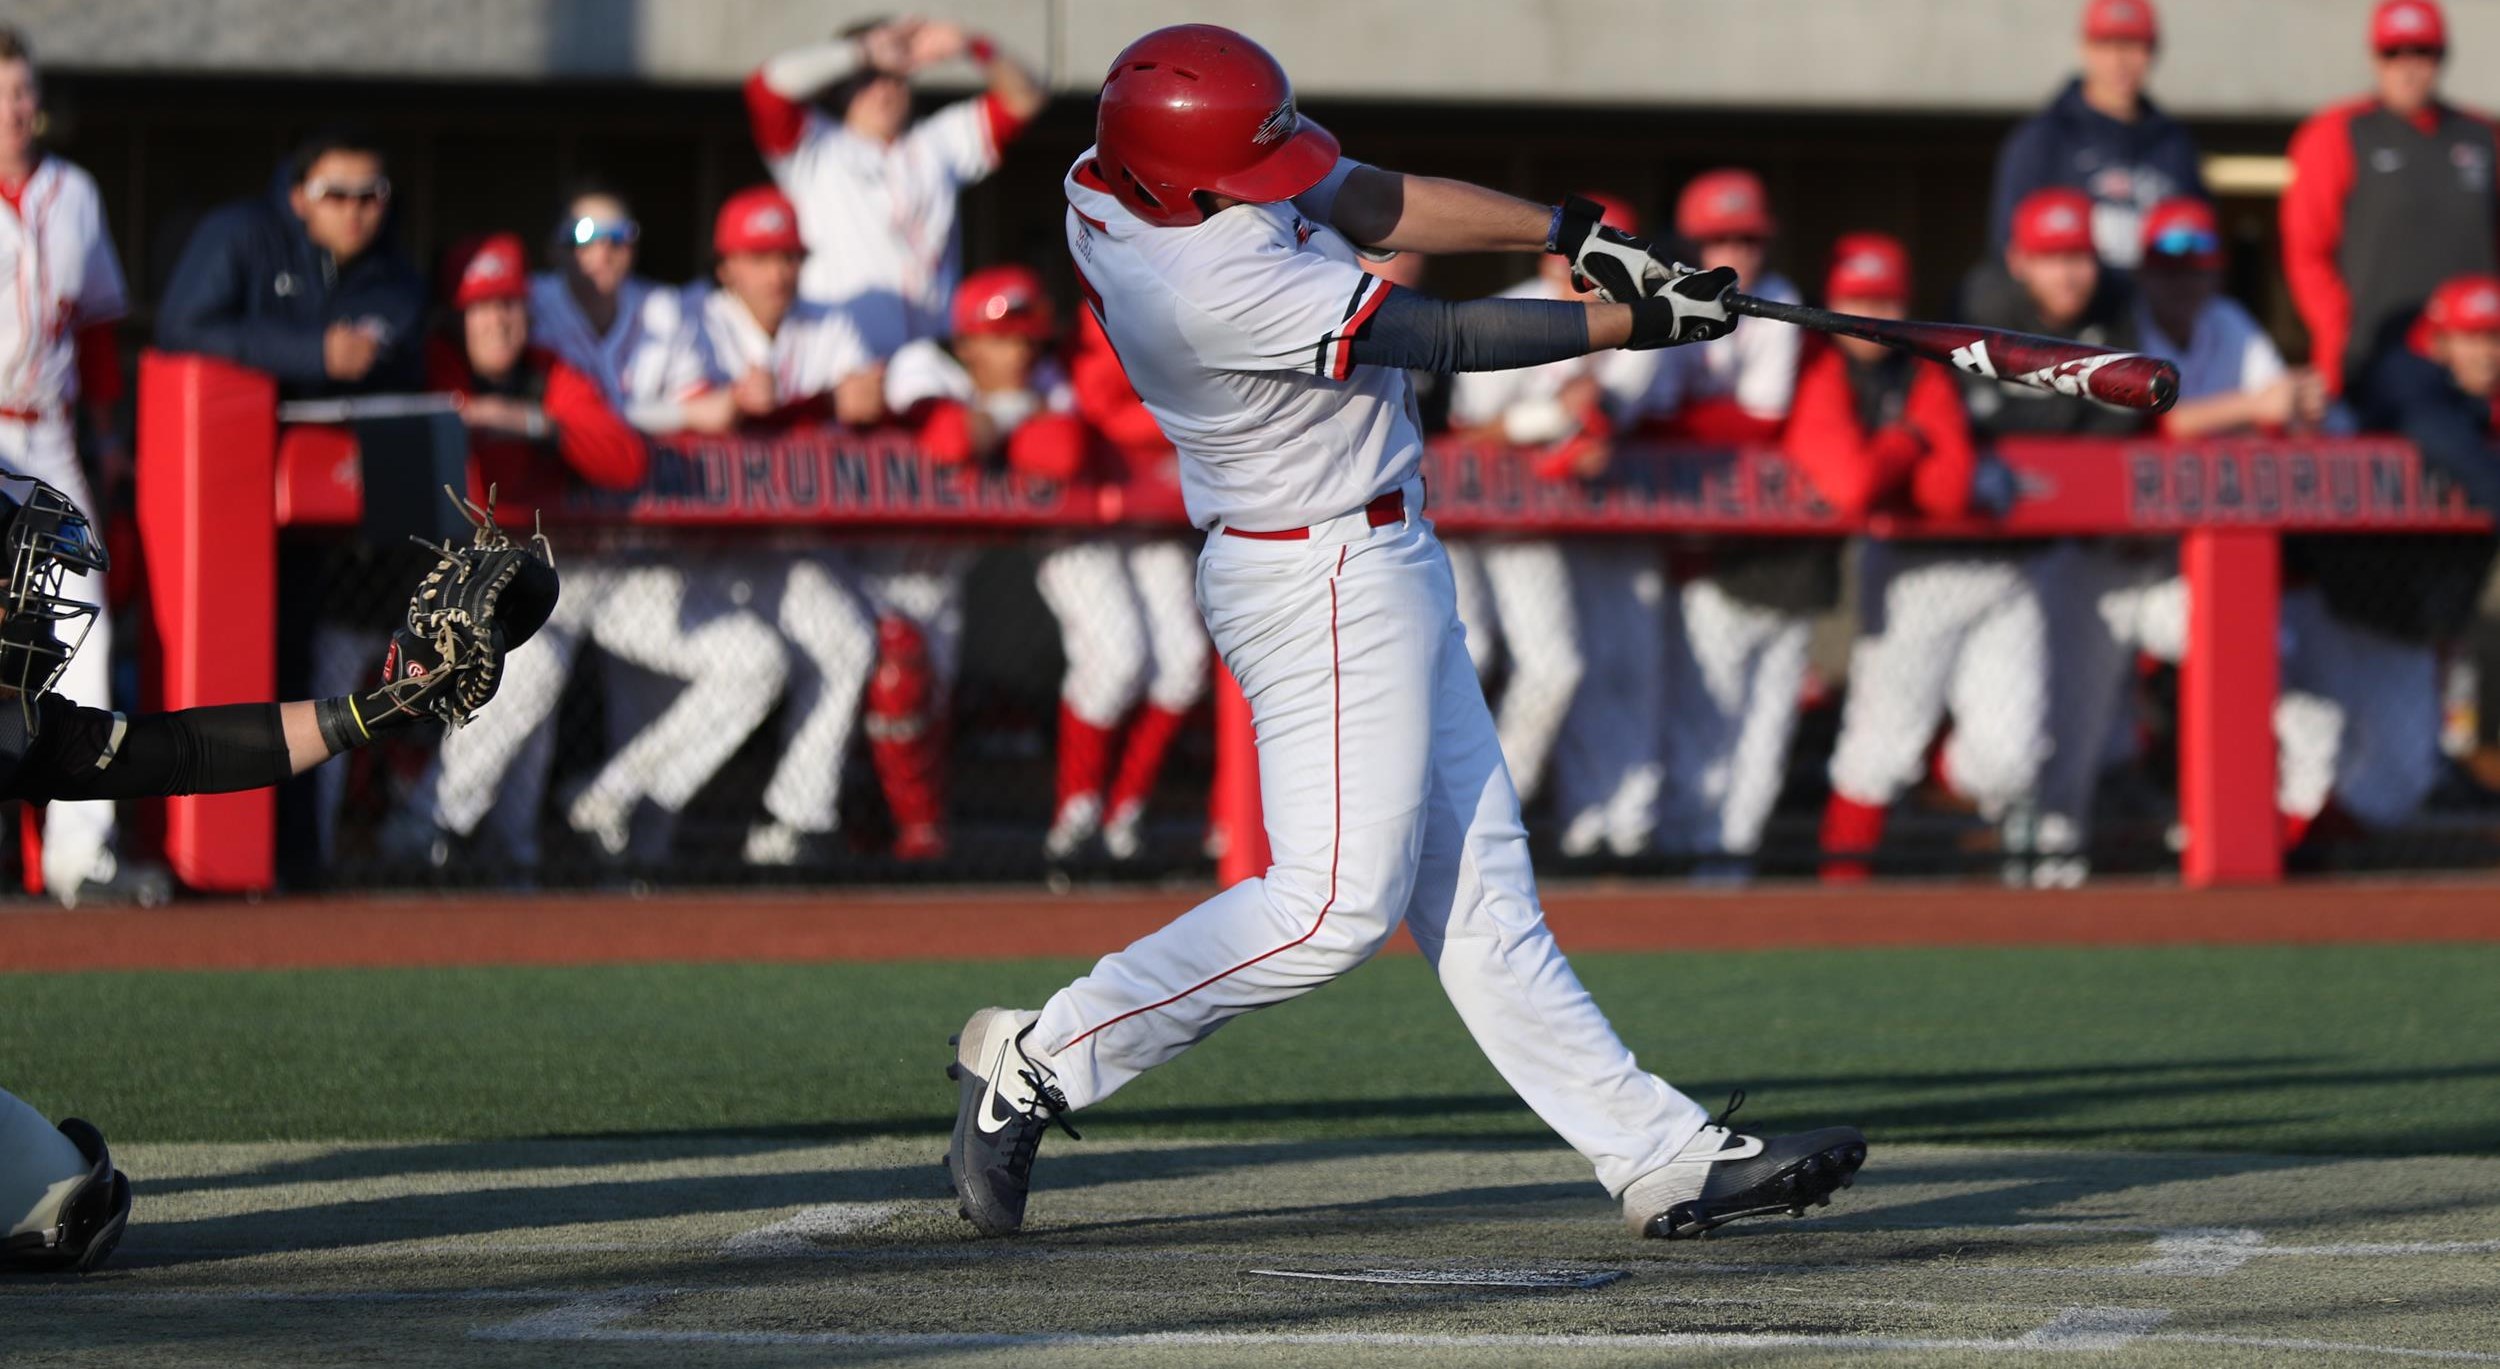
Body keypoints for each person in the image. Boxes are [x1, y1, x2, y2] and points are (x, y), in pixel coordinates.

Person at [947, 23, 1865, 1245]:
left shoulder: (1115, 172)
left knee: (1484, 902)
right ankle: (1043, 1054)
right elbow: (1435, 334)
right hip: (1311, 572)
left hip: (1381, 551)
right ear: (1183, 175)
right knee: (1329, 910)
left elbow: (1363, 193)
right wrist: (1626, 327)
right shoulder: (1202, 285)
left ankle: (1658, 1156)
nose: (1281, 181)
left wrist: (1566, 230)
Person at [0, 474, 552, 1272]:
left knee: (69, 1203)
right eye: (11, 585)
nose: (32, 615)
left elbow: (186, 749)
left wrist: (374, 709)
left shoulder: (12, 725)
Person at [669, 185, 889, 868]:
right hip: (669, 552)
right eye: (760, 257)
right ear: (725, 266)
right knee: (643, 709)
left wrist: (839, 404)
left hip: (776, 546)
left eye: (789, 256)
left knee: (850, 640)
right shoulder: (684, 317)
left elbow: (864, 402)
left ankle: (794, 816)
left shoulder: (830, 324)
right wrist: (807, 405)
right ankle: (610, 816)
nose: (778, 272)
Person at [1799, 234, 2021, 882]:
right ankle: (1839, 889)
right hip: (1896, 570)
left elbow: (1950, 491)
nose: (1869, 316)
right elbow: (1852, 484)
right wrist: (1905, 442)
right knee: (1877, 749)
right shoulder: (1820, 366)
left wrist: (1893, 454)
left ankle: (1935, 779)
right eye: (1856, 300)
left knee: (2011, 757)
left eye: (1884, 300)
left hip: (1976, 564)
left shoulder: (1923, 367)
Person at [1443, 194, 1652, 830]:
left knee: (1557, 667)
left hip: (1542, 529)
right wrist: (1552, 418)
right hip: (1460, 521)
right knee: (1465, 661)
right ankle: (1438, 803)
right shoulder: (1506, 309)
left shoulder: (1638, 322)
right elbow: (1461, 439)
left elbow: (1622, 424)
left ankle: (1490, 808)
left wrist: (1590, 434)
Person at [0, 26, 151, 904]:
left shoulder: (75, 192)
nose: (20, 109)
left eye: (25, 91)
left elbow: (96, 333)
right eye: (5, 94)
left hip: (48, 430)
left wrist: (107, 437)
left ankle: (79, 853)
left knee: (79, 619)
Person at [1962, 186, 2151, 880]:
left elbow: (2122, 417)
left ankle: (2051, 866)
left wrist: (2047, 435)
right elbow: (1976, 420)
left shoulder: (2116, 310)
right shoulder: (1981, 309)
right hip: (1965, 550)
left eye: (2079, 257)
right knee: (1929, 748)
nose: (2069, 273)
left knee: (2052, 732)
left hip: (2068, 546)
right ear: (2018, 260)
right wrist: (2060, 427)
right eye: (2051, 257)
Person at [2284, 273, 2500, 841]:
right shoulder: (2404, 379)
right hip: (2311, 599)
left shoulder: (2468, 396)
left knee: (2399, 779)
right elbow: (2445, 441)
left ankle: (2322, 876)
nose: (2487, 352)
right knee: (2306, 766)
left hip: (2389, 617)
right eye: (2472, 338)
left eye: (2494, 338)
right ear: (2438, 339)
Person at [1641, 169, 1812, 874]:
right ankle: (1675, 856)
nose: (1738, 250)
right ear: (1692, 242)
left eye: (1747, 237)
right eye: (1720, 237)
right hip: (1656, 526)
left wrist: (1685, 428)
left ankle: (1727, 867)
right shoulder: (1655, 296)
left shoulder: (1780, 298)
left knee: (1757, 727)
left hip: (1743, 530)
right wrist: (1689, 428)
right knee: (1691, 717)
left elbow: (1764, 421)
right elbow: (1647, 418)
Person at [745, 15, 1044, 347]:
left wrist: (975, 46)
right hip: (843, 357)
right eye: (868, 79)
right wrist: (863, 52)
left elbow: (1025, 98)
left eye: (894, 78)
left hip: (929, 353)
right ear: (841, 87)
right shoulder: (817, 147)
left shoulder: (937, 143)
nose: (883, 90)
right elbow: (765, 89)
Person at [2283, 0, 2498, 396]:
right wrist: (2339, 333)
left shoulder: (2483, 136)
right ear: (2375, 58)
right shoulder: (2338, 133)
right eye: (2393, 52)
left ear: (2441, 56)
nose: (2408, 66)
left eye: (2422, 51)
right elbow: (2307, 252)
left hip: (2477, 371)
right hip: (2373, 361)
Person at [1059, 308, 1211, 862]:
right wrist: (1188, 417)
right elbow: (1100, 407)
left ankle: (1124, 810)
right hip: (1080, 528)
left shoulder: (1196, 305)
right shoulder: (1103, 303)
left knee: (1185, 661)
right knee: (1117, 657)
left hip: (1155, 522)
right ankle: (1073, 814)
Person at [156, 128, 425, 398]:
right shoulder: (242, 234)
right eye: (334, 194)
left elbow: (407, 378)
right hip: (237, 427)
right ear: (298, 198)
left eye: (370, 195)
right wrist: (313, 352)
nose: (352, 211)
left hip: (344, 437)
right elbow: (181, 329)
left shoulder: (400, 280)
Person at [1986, 0, 2205, 271]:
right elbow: (2010, 252)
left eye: (2133, 46)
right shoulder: (2043, 140)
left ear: (2153, 51)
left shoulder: (2175, 146)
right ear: (2084, 47)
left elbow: (2200, 249)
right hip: (2074, 307)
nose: (2119, 61)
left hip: (2155, 306)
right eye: (2106, 45)